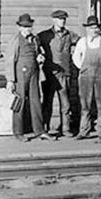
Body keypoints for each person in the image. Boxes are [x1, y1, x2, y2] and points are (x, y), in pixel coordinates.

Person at [70, 16, 101, 142]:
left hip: (100, 74)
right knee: (85, 104)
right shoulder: (82, 41)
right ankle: (84, 131)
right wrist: (82, 67)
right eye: (91, 28)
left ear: (98, 29)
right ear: (87, 29)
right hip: (85, 75)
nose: (93, 30)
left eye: (95, 28)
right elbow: (75, 57)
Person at [6, 12, 47, 141]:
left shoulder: (35, 39)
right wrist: (11, 80)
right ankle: (18, 132)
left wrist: (40, 57)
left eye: (29, 26)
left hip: (34, 73)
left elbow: (39, 52)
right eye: (24, 26)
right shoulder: (15, 40)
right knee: (20, 102)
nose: (27, 29)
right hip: (20, 74)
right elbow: (9, 60)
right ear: (19, 27)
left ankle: (39, 131)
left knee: (36, 101)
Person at [38, 9, 77, 138]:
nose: (62, 21)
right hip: (49, 73)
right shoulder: (44, 35)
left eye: (64, 19)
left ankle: (65, 128)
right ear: (54, 20)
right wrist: (39, 55)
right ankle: (45, 128)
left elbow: (82, 43)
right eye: (60, 19)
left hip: (64, 73)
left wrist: (75, 51)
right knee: (47, 102)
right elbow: (34, 45)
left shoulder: (70, 35)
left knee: (65, 103)